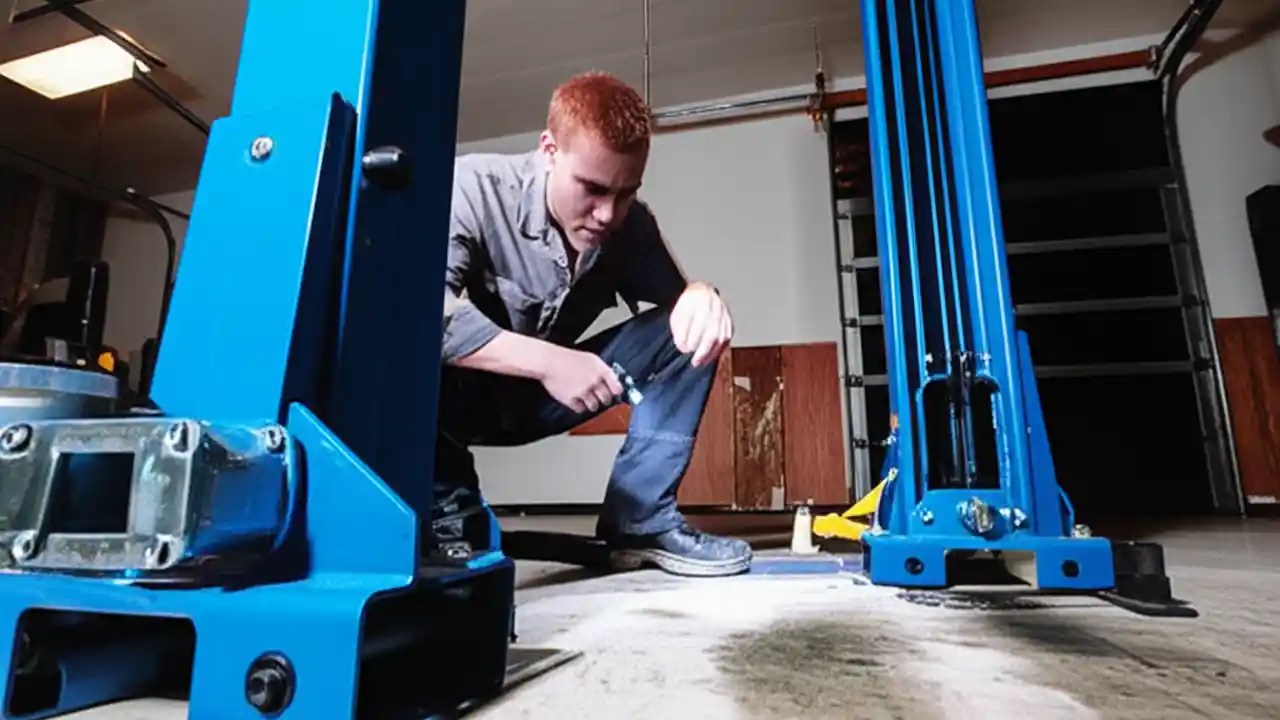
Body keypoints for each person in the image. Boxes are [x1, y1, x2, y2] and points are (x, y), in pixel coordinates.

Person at [435, 70, 752, 577]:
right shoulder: (469, 190)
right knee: (391, 319)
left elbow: (681, 309)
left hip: (532, 403)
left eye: (626, 193)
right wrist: (548, 361)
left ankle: (641, 518)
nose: (607, 214)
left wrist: (703, 294)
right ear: (548, 151)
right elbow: (427, 315)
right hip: (444, 407)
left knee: (687, 332)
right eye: (592, 188)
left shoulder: (631, 226)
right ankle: (445, 512)